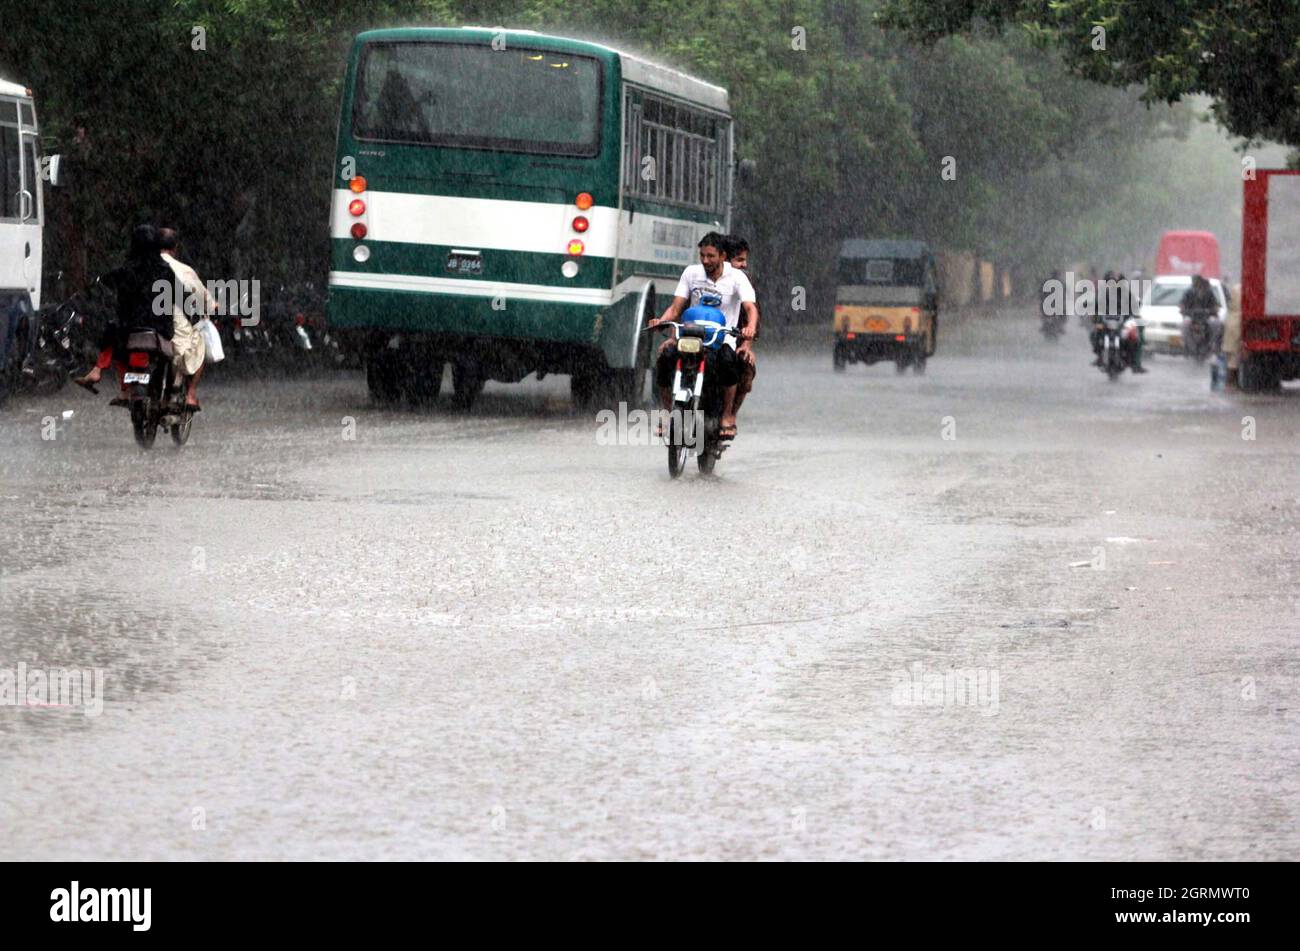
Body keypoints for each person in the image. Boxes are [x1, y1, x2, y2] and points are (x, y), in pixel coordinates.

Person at [647, 232, 758, 439]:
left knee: (728, 362)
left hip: (722, 339)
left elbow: (750, 309)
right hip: (690, 337)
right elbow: (676, 308)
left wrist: (749, 332)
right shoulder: (691, 273)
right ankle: (668, 411)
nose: (706, 261)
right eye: (702, 256)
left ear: (722, 256)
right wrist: (661, 320)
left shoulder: (737, 278)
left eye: (711, 256)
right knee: (666, 358)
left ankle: (727, 415)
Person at [73, 224, 175, 401]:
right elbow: (182, 297)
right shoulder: (165, 271)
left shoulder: (126, 270)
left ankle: (102, 373)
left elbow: (104, 283)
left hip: (130, 328)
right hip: (160, 330)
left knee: (115, 337)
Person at [159, 228, 210, 410]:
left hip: (145, 327)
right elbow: (203, 297)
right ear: (175, 247)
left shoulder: (143, 267)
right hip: (174, 331)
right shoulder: (184, 271)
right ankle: (190, 395)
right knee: (200, 344)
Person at [722, 235, 759, 418]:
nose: (744, 265)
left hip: (731, 340)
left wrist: (746, 345)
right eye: (739, 260)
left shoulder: (745, 283)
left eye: (745, 260)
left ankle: (730, 415)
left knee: (745, 367)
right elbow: (681, 310)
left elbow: (751, 315)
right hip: (700, 338)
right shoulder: (697, 276)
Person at [1179, 274, 1221, 357]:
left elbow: (1215, 305)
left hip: (1206, 318)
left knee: (1216, 325)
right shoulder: (1188, 292)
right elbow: (1182, 304)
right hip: (1192, 317)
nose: (1197, 284)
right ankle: (1186, 344)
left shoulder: (1209, 293)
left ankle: (1212, 344)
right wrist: (1183, 310)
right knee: (1184, 325)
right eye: (1195, 281)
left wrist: (1214, 311)